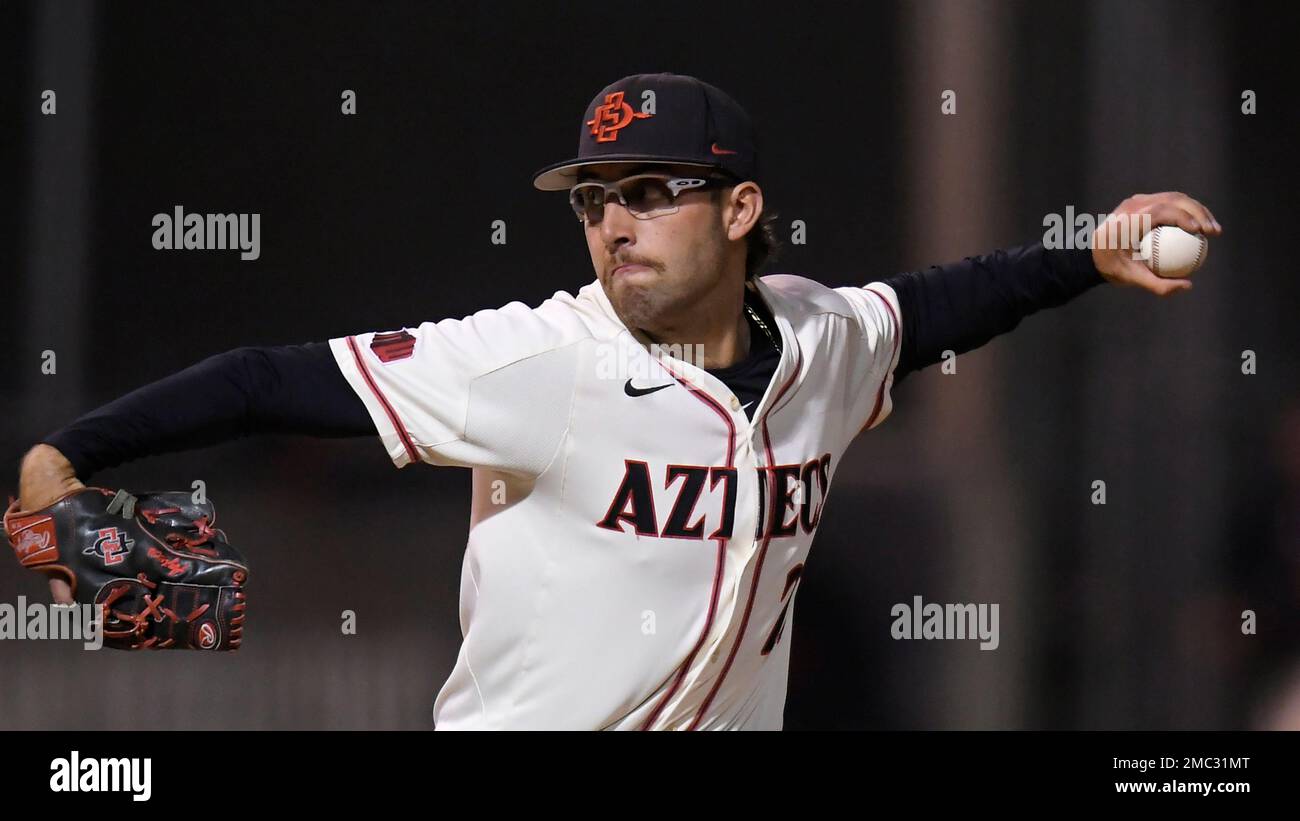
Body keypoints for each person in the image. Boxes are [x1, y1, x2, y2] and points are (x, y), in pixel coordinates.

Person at [15, 72, 1222, 729]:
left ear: (739, 211)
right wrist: (70, 451)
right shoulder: (538, 362)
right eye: (595, 200)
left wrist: (1095, 254)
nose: (614, 225)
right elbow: (264, 376)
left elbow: (947, 301)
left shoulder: (822, 338)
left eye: (650, 191)